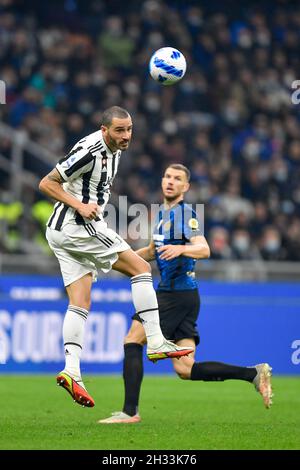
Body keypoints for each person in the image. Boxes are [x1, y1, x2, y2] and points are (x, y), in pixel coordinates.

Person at [39, 107, 193, 408]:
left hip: (63, 232)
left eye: (130, 129)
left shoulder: (116, 150)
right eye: (120, 130)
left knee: (80, 302)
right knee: (140, 267)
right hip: (76, 226)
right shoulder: (90, 149)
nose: (126, 136)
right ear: (104, 129)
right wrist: (81, 207)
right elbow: (47, 182)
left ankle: (71, 371)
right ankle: (156, 340)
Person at [98, 164, 273, 424]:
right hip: (186, 297)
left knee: (132, 340)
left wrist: (181, 250)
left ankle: (130, 411)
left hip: (173, 296)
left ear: (186, 187)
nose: (170, 181)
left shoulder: (185, 213)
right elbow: (150, 251)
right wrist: (113, 260)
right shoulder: (162, 214)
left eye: (177, 178)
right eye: (167, 176)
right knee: (184, 369)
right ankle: (253, 374)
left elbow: (203, 249)